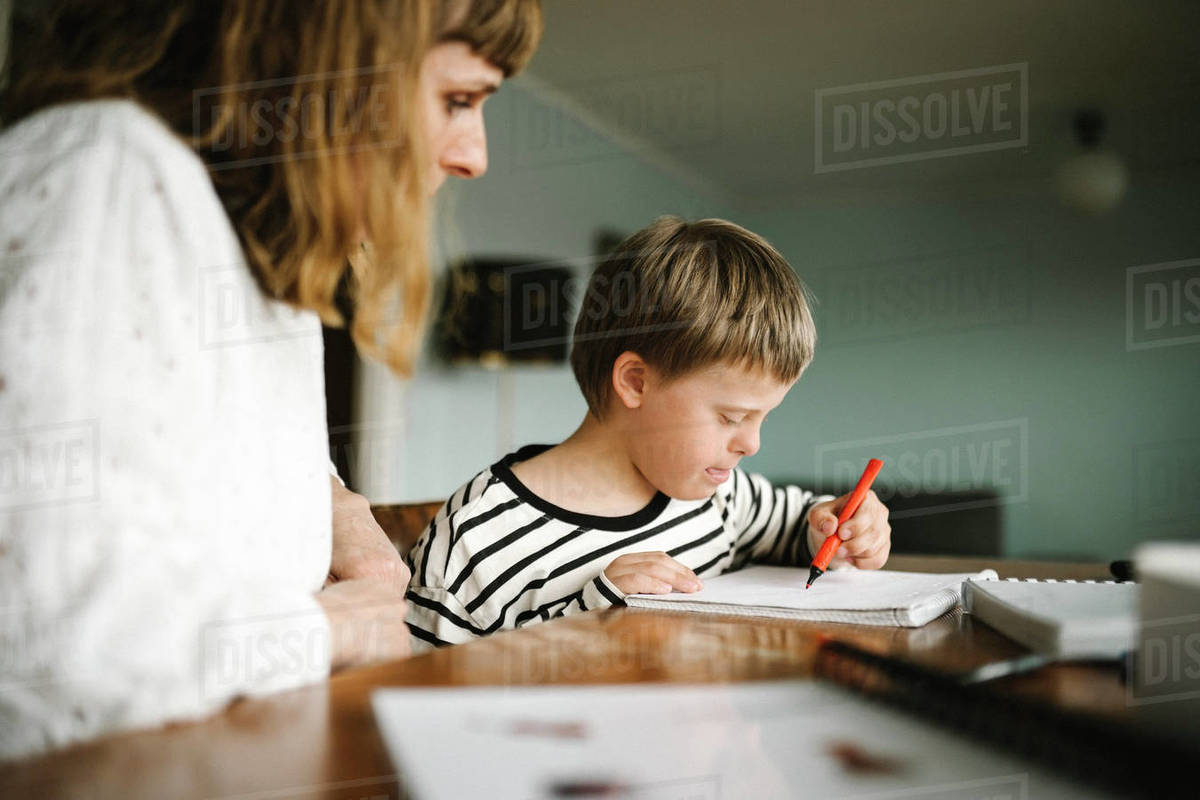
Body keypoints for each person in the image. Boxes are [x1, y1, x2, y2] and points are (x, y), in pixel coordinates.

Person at [0, 0, 542, 760]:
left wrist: (339, 506)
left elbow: (192, 425)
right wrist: (335, 629)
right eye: (458, 99)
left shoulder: (259, 265)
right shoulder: (111, 171)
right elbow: (48, 655)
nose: (473, 156)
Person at [405, 216, 892, 649]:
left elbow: (800, 529)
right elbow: (420, 698)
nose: (752, 443)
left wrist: (840, 526)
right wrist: (591, 619)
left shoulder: (719, 497)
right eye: (730, 417)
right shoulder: (476, 538)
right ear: (636, 382)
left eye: (764, 417)